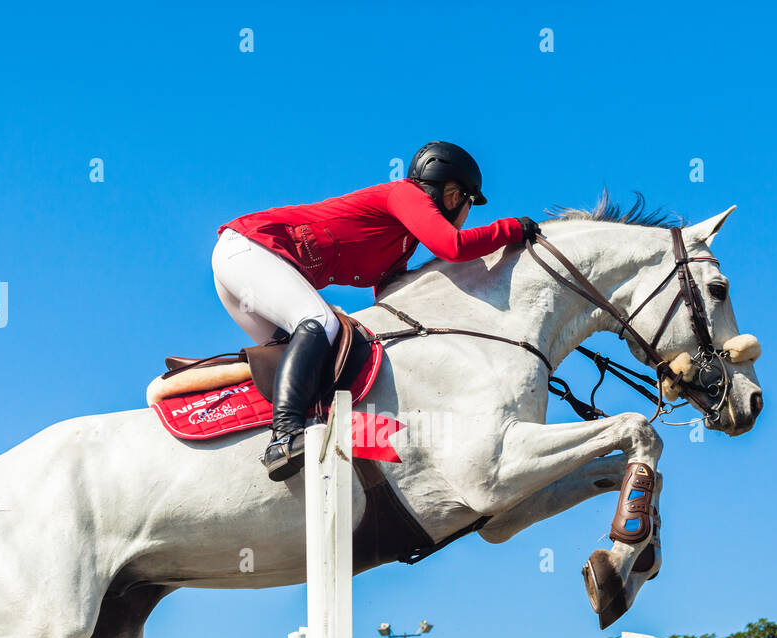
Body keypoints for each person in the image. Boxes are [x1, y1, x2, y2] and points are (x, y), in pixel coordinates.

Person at [213, 141, 538, 480]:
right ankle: (284, 438)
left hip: (243, 264)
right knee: (320, 322)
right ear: (455, 195)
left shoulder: (400, 244)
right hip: (249, 248)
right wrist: (513, 229)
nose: (468, 213)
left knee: (312, 359)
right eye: (469, 203)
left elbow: (393, 300)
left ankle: (292, 438)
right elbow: (452, 247)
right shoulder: (406, 195)